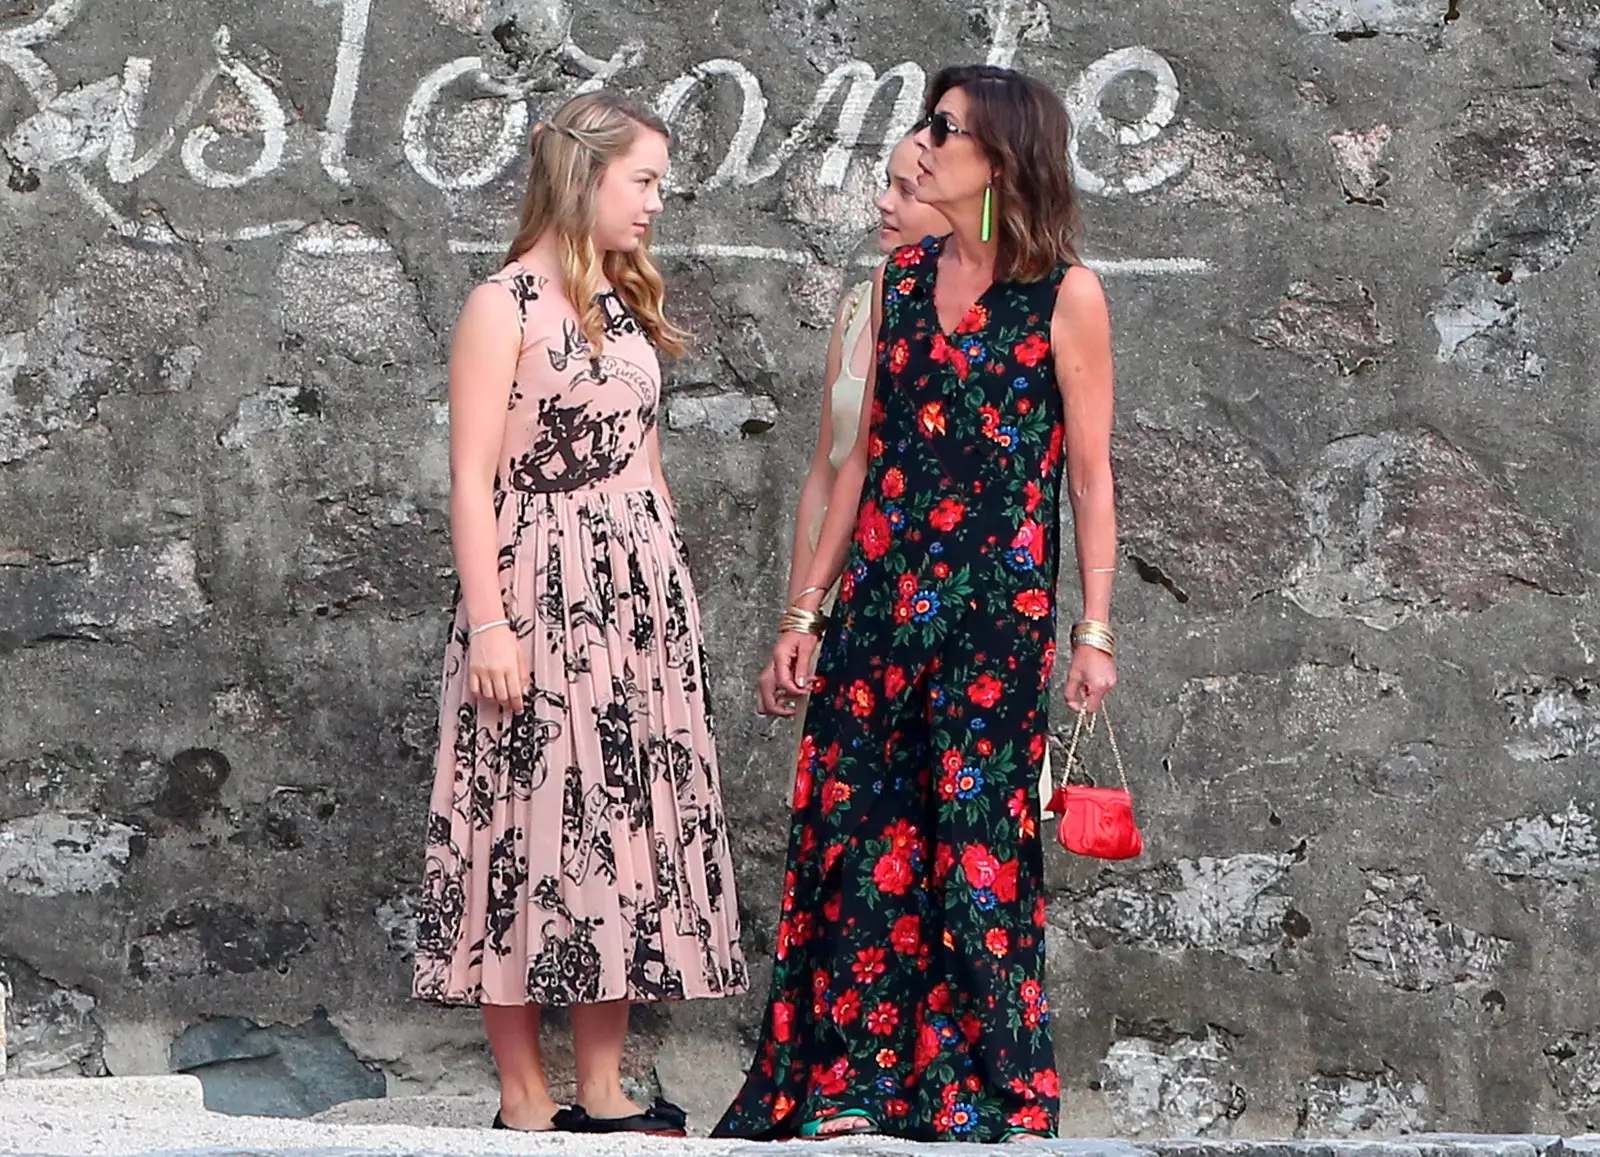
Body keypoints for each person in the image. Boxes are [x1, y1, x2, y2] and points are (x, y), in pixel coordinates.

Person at [714, 63, 1119, 1143]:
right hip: (878, 615)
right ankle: (849, 1083)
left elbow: (1089, 475)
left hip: (995, 622)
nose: (924, 143)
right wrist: (801, 615)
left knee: (976, 853)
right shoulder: (890, 287)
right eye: (927, 124)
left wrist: (1093, 628)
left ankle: (985, 1089)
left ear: (1001, 158)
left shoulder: (1064, 294)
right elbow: (845, 467)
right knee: (859, 841)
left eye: (945, 129)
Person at [411, 90, 747, 1137]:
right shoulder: (498, 306)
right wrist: (494, 624)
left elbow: (648, 462)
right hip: (529, 589)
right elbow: (469, 478)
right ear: (582, 176)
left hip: (631, 604)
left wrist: (667, 600)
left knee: (621, 826)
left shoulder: (621, 302)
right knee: (511, 823)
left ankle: (601, 1088)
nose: (656, 201)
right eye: (640, 180)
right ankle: (524, 1095)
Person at [754, 136, 953, 721]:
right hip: (844, 600)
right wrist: (798, 617)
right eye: (885, 184)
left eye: (906, 190)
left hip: (926, 591)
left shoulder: (986, 328)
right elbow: (827, 472)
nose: (883, 204)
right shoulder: (860, 307)